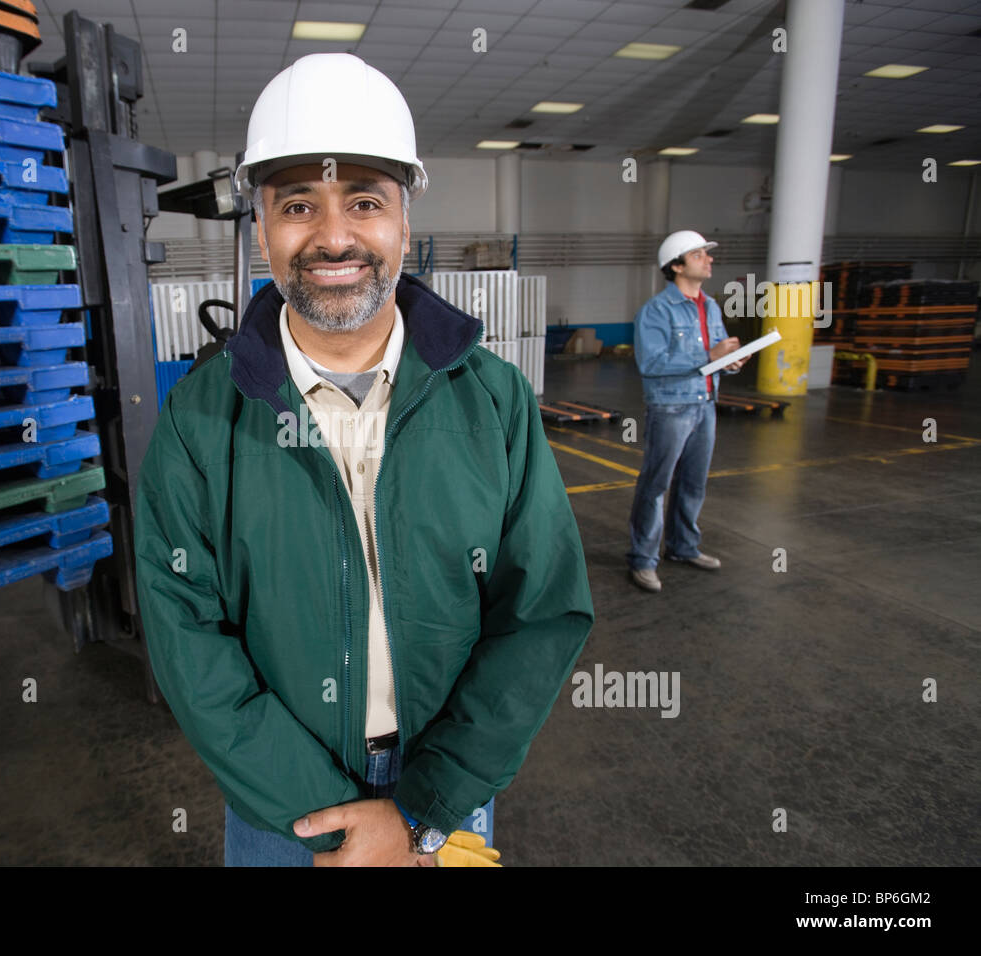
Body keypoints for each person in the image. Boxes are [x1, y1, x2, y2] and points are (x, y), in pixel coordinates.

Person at [134, 53, 594, 867]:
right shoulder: (201, 420)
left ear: (404, 224)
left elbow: (541, 615)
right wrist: (326, 812)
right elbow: (187, 640)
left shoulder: (494, 400)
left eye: (365, 202)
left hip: (448, 788)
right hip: (284, 810)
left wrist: (424, 806)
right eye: (298, 204)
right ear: (263, 227)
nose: (334, 236)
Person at [627, 231, 749, 593]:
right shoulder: (655, 311)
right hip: (671, 406)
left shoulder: (710, 307)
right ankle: (643, 560)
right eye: (699, 255)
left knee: (694, 483)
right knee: (656, 484)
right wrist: (708, 357)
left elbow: (716, 354)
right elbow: (650, 363)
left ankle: (683, 547)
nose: (709, 260)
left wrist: (731, 361)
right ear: (677, 265)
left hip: (705, 404)